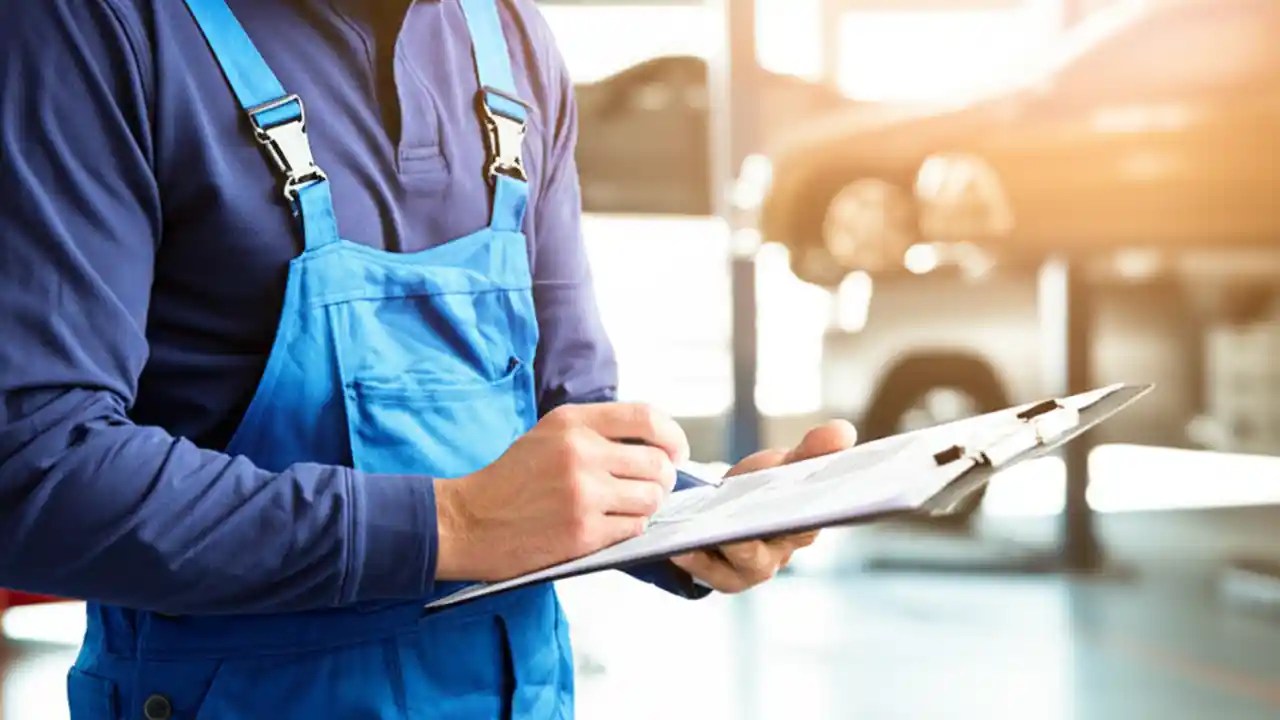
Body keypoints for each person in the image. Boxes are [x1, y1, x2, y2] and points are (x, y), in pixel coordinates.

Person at [0, 0, 857, 717]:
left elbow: (566, 422)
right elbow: (32, 471)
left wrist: (697, 522)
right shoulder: (91, 28)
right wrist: (455, 526)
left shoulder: (511, 40)